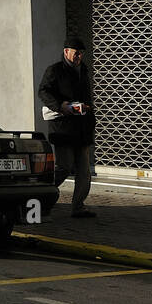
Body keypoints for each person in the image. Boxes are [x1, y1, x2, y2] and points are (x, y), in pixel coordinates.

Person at [39, 35, 96, 218]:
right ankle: (39, 195)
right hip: (63, 129)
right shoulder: (54, 71)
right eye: (76, 53)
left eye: (81, 54)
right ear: (66, 52)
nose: (79, 57)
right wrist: (61, 106)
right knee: (64, 166)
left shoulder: (84, 70)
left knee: (84, 171)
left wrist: (87, 109)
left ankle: (78, 206)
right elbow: (43, 92)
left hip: (82, 128)